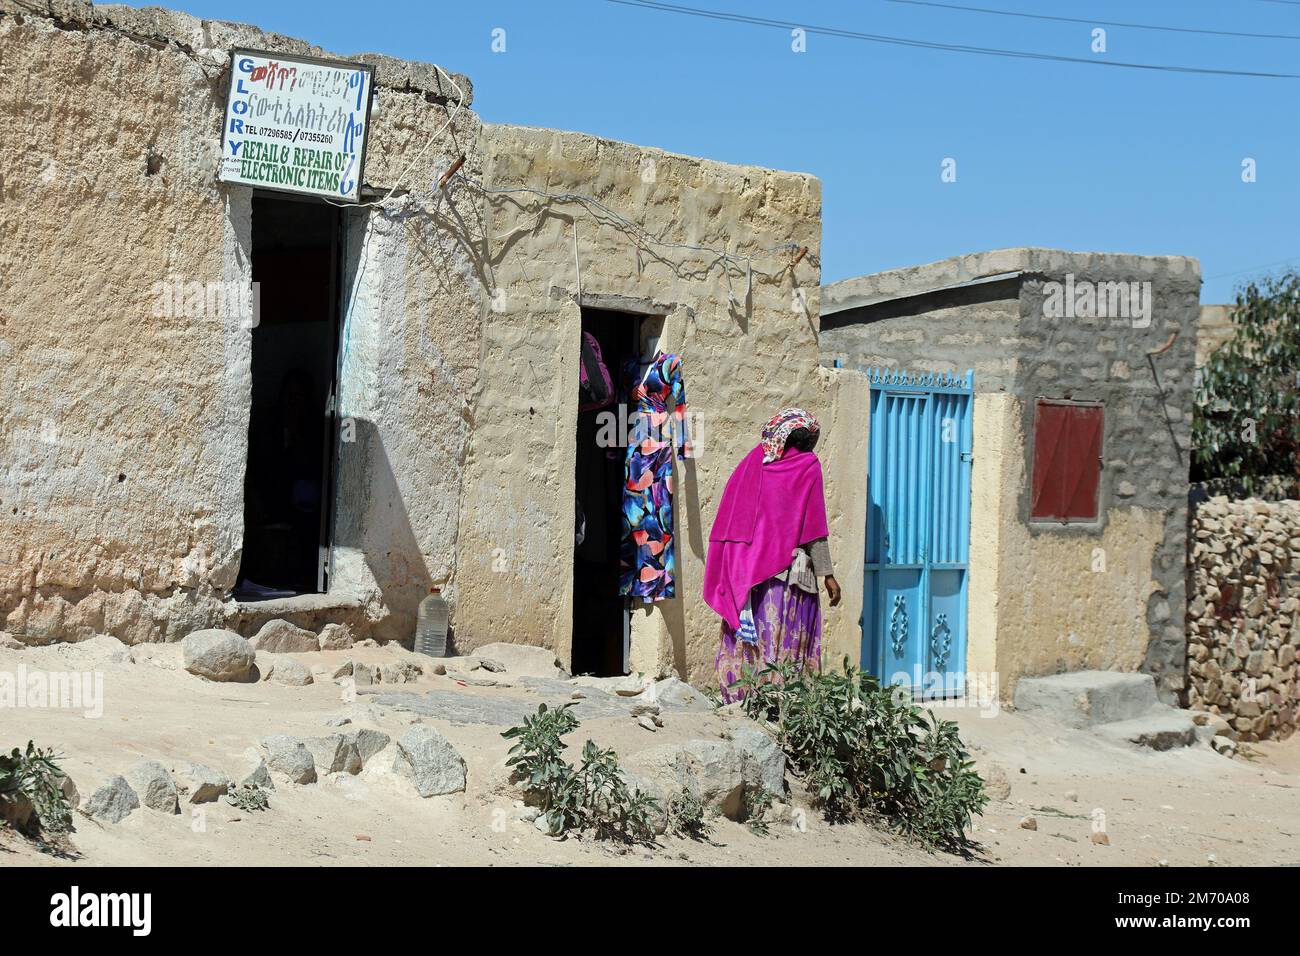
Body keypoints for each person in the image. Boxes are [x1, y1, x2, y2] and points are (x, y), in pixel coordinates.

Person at [703, 407, 841, 702]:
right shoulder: (808, 466)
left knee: (755, 638)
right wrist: (827, 574)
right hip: (790, 577)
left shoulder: (753, 464)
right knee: (781, 640)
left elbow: (731, 523)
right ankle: (780, 698)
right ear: (806, 441)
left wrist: (737, 565)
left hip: (749, 575)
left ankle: (741, 694)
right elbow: (813, 528)